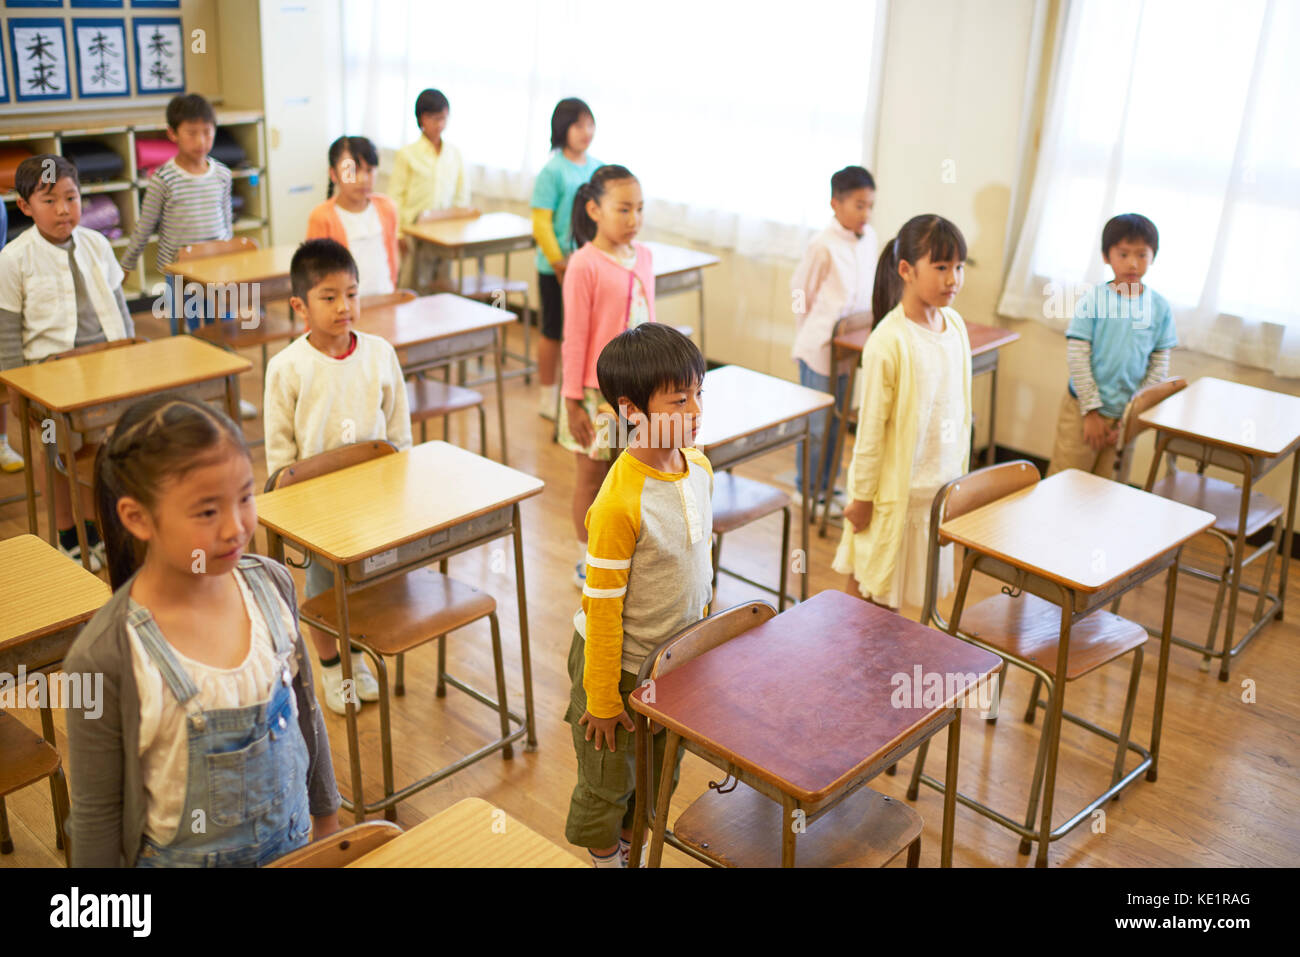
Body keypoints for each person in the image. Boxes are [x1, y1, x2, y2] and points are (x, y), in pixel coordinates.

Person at [65, 394, 341, 866]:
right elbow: (96, 816)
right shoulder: (104, 657)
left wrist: (328, 819)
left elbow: (307, 713)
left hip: (293, 847)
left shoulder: (270, 585)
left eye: (246, 497)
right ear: (137, 517)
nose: (236, 528)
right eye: (208, 512)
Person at [564, 323, 710, 867]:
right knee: (607, 787)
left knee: (654, 780)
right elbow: (602, 614)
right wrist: (602, 701)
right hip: (617, 674)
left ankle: (629, 848)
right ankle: (607, 858)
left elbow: (700, 570)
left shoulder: (699, 466)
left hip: (669, 669)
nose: (695, 409)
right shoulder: (618, 504)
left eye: (699, 394)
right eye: (679, 399)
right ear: (631, 411)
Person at [263, 238, 411, 714]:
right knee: (324, 589)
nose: (344, 307)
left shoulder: (379, 352)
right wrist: (290, 514)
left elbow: (399, 431)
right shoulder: (287, 367)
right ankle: (330, 668)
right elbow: (280, 454)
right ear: (299, 306)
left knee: (367, 583)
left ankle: (357, 654)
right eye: (329, 297)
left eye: (351, 293)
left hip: (375, 499)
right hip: (318, 507)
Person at [0, 154, 136, 569]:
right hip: (47, 378)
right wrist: (16, 391)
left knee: (99, 448)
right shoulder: (12, 259)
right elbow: (6, 336)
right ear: (24, 206)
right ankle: (66, 533)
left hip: (104, 368)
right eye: (49, 200)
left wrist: (136, 354)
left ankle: (96, 526)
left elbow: (119, 306)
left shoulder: (97, 243)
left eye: (71, 197)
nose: (63, 210)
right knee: (52, 451)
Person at [833, 215, 973, 612]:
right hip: (893, 495)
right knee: (868, 597)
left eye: (959, 267)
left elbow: (961, 412)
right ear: (907, 270)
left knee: (906, 606)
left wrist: (958, 483)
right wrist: (861, 497)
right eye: (942, 267)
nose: (953, 279)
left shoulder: (956, 326)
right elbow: (871, 430)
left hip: (936, 490)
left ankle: (885, 672)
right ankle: (844, 671)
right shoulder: (888, 341)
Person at [559, 164, 654, 589]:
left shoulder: (646, 257)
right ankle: (588, 559)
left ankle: (621, 555)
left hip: (638, 393)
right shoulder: (584, 264)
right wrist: (571, 400)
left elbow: (649, 321)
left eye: (639, 209)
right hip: (595, 395)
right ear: (595, 209)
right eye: (623, 210)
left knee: (631, 475)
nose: (633, 220)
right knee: (592, 476)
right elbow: (574, 336)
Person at [1048, 213, 1176, 477]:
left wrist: (1129, 418)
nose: (1133, 264)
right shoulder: (1093, 300)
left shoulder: (1160, 307)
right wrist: (1091, 412)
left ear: (1154, 256)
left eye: (1142, 255)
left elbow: (1158, 367)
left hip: (1125, 419)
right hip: (1083, 412)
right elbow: (1078, 357)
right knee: (1066, 482)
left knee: (1110, 491)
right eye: (1124, 254)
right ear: (1107, 256)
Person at [790, 165, 877, 499]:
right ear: (835, 204)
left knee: (838, 423)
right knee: (816, 424)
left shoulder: (869, 238)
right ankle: (806, 488)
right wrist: (810, 331)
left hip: (848, 345)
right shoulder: (822, 245)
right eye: (858, 205)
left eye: (870, 205)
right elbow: (800, 291)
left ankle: (826, 487)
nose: (865, 213)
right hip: (819, 347)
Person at [532, 97, 600, 420]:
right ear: (563, 129)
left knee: (581, 331)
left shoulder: (597, 168)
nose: (585, 131)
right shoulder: (552, 171)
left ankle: (575, 392)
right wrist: (559, 262)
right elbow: (541, 223)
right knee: (552, 329)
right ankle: (547, 396)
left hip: (587, 264)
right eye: (578, 125)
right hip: (555, 267)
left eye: (590, 124)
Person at [388, 88, 477, 291]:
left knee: (443, 287)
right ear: (423, 119)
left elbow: (461, 196)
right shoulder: (408, 154)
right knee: (413, 287)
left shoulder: (454, 154)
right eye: (436, 119)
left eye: (444, 119)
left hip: (445, 234)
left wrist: (458, 227)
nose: (440, 125)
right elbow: (395, 197)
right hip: (415, 233)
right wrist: (398, 233)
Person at [305, 135, 399, 297]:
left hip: (385, 301)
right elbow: (314, 277)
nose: (363, 179)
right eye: (352, 171)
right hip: (345, 311)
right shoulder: (321, 217)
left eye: (369, 170)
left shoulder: (387, 208)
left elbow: (392, 260)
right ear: (334, 174)